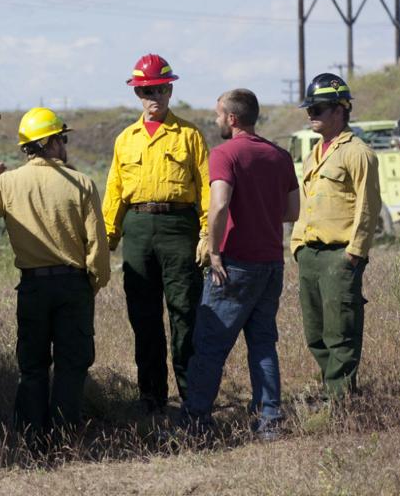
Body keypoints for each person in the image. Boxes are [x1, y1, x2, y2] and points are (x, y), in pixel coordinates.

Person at [0, 108, 110, 440]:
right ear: (52, 142)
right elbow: (98, 249)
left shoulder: (9, 183)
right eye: (63, 137)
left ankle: (31, 438)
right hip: (73, 285)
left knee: (32, 368)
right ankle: (64, 438)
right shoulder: (82, 183)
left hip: (32, 287)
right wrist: (92, 284)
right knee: (71, 367)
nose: (65, 144)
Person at [180, 89, 299, 439]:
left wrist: (214, 251)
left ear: (232, 118)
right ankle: (269, 421)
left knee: (210, 346)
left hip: (235, 263)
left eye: (218, 114)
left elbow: (218, 205)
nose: (216, 120)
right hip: (271, 263)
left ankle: (196, 422)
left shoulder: (224, 154)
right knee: (263, 344)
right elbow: (292, 211)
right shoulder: (279, 155)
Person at [103, 53, 209, 413]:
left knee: (184, 312)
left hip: (179, 227)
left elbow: (208, 187)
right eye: (144, 91)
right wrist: (107, 239)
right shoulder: (125, 140)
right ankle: (151, 396)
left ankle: (192, 396)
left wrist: (208, 234)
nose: (152, 97)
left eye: (158, 89)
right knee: (143, 314)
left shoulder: (191, 136)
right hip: (137, 229)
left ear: (170, 89)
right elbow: (115, 191)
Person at [291, 73, 381, 400]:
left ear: (341, 109)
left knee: (340, 333)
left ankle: (340, 406)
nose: (311, 115)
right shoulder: (316, 152)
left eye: (319, 108)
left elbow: (369, 206)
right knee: (315, 333)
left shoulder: (358, 153)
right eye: (309, 109)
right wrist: (298, 245)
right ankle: (334, 395)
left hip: (340, 254)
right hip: (310, 254)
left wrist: (354, 254)